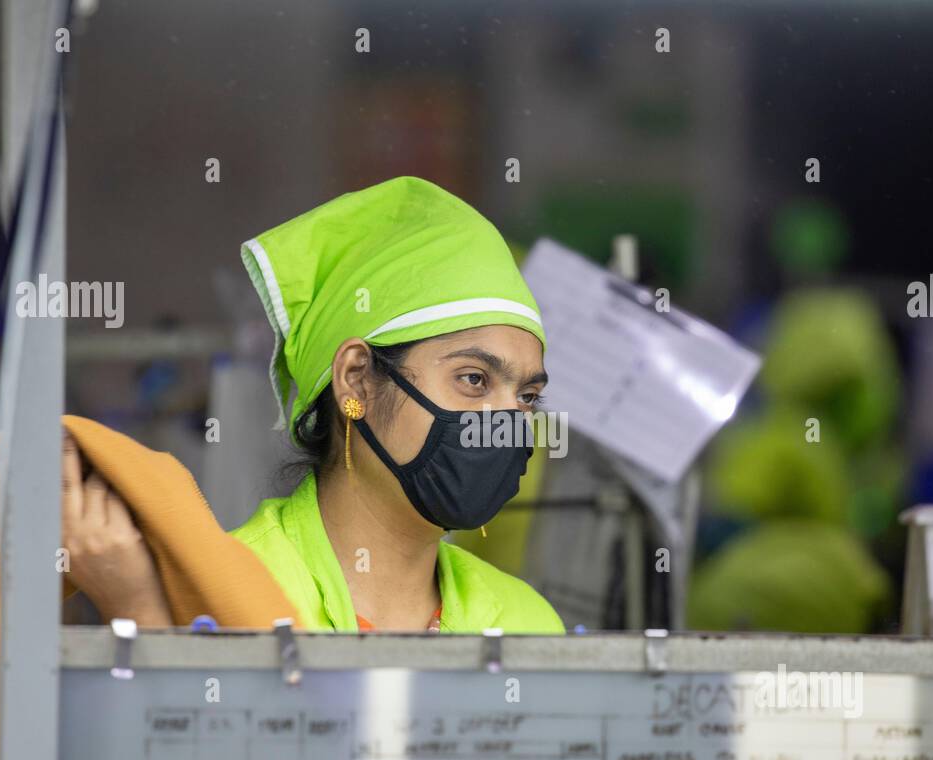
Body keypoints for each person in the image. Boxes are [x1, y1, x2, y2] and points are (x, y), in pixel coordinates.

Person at [65, 176, 563, 634]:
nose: (507, 425)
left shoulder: (527, 624)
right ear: (356, 381)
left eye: (527, 397)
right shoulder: (221, 593)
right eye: (474, 379)